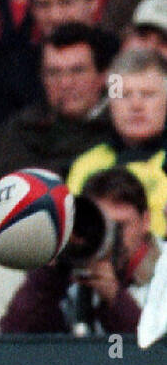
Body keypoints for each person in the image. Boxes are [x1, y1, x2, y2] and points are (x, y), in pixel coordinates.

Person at [0, 22, 117, 199]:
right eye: (54, 73)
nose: (66, 83)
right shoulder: (17, 132)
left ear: (102, 76)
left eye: (78, 71)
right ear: (42, 78)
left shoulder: (120, 135)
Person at [0, 166, 159, 335]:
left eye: (119, 227)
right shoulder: (74, 264)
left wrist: (115, 299)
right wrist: (49, 276)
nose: (110, 238)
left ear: (145, 221)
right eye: (102, 227)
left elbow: (156, 353)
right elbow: (15, 340)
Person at [68, 47, 167, 236]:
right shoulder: (85, 165)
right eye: (124, 95)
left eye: (148, 94)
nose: (136, 105)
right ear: (109, 103)